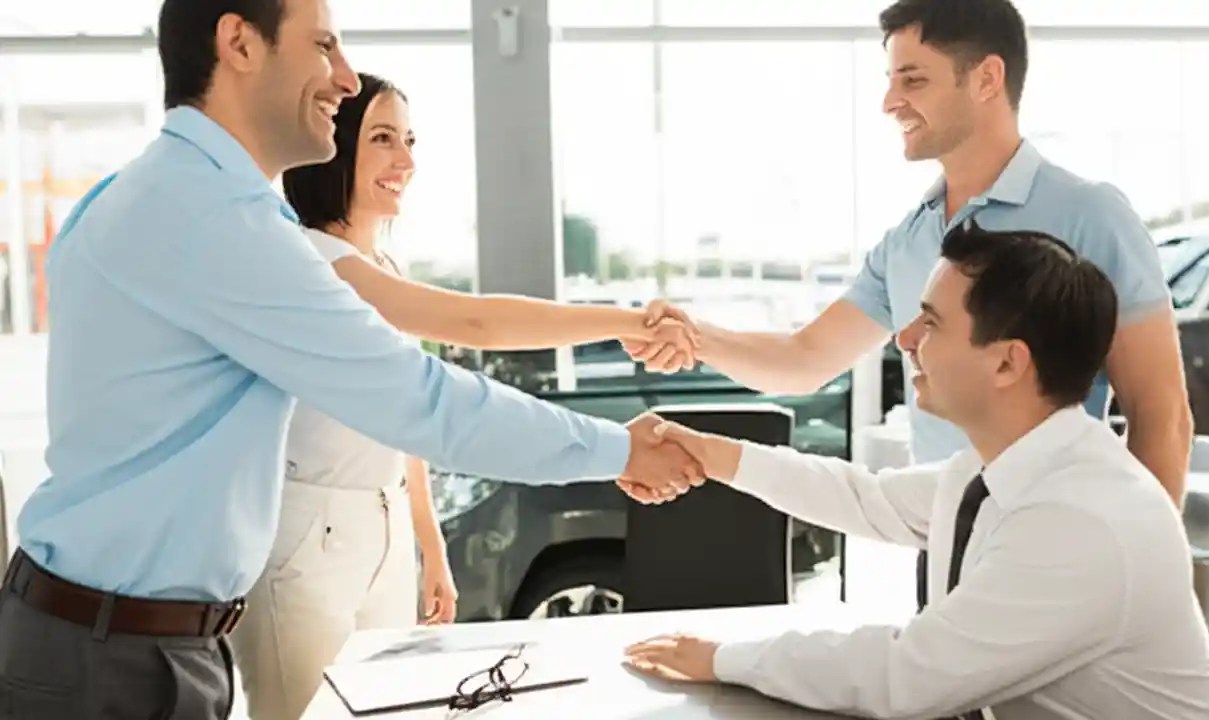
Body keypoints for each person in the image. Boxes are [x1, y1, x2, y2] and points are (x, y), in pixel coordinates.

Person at [0, 1, 699, 718]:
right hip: (111, 657)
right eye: (324, 46)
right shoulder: (213, 219)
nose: (341, 77)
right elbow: (419, 398)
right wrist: (619, 448)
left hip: (132, 638)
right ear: (239, 43)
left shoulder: (154, 195)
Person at [230, 71, 700, 720]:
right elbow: (476, 321)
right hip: (309, 535)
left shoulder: (383, 268)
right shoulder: (312, 259)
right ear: (333, 148)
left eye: (411, 139)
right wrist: (624, 322)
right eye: (384, 138)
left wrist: (428, 545)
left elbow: (406, 416)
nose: (406, 160)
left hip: (381, 525)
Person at [624, 224, 1209, 720]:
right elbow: (865, 500)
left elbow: (907, 677)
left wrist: (722, 659)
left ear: (1007, 363)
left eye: (931, 323)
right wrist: (707, 453)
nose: (905, 339)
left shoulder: (1081, 520)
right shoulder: (1006, 469)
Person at [629, 0, 1193, 506]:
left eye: (913, 79)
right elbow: (806, 358)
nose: (889, 102)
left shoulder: (1090, 215)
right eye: (891, 80)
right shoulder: (909, 240)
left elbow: (1160, 413)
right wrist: (694, 338)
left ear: (987, 79)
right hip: (942, 535)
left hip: (1056, 534)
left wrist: (1144, 563)